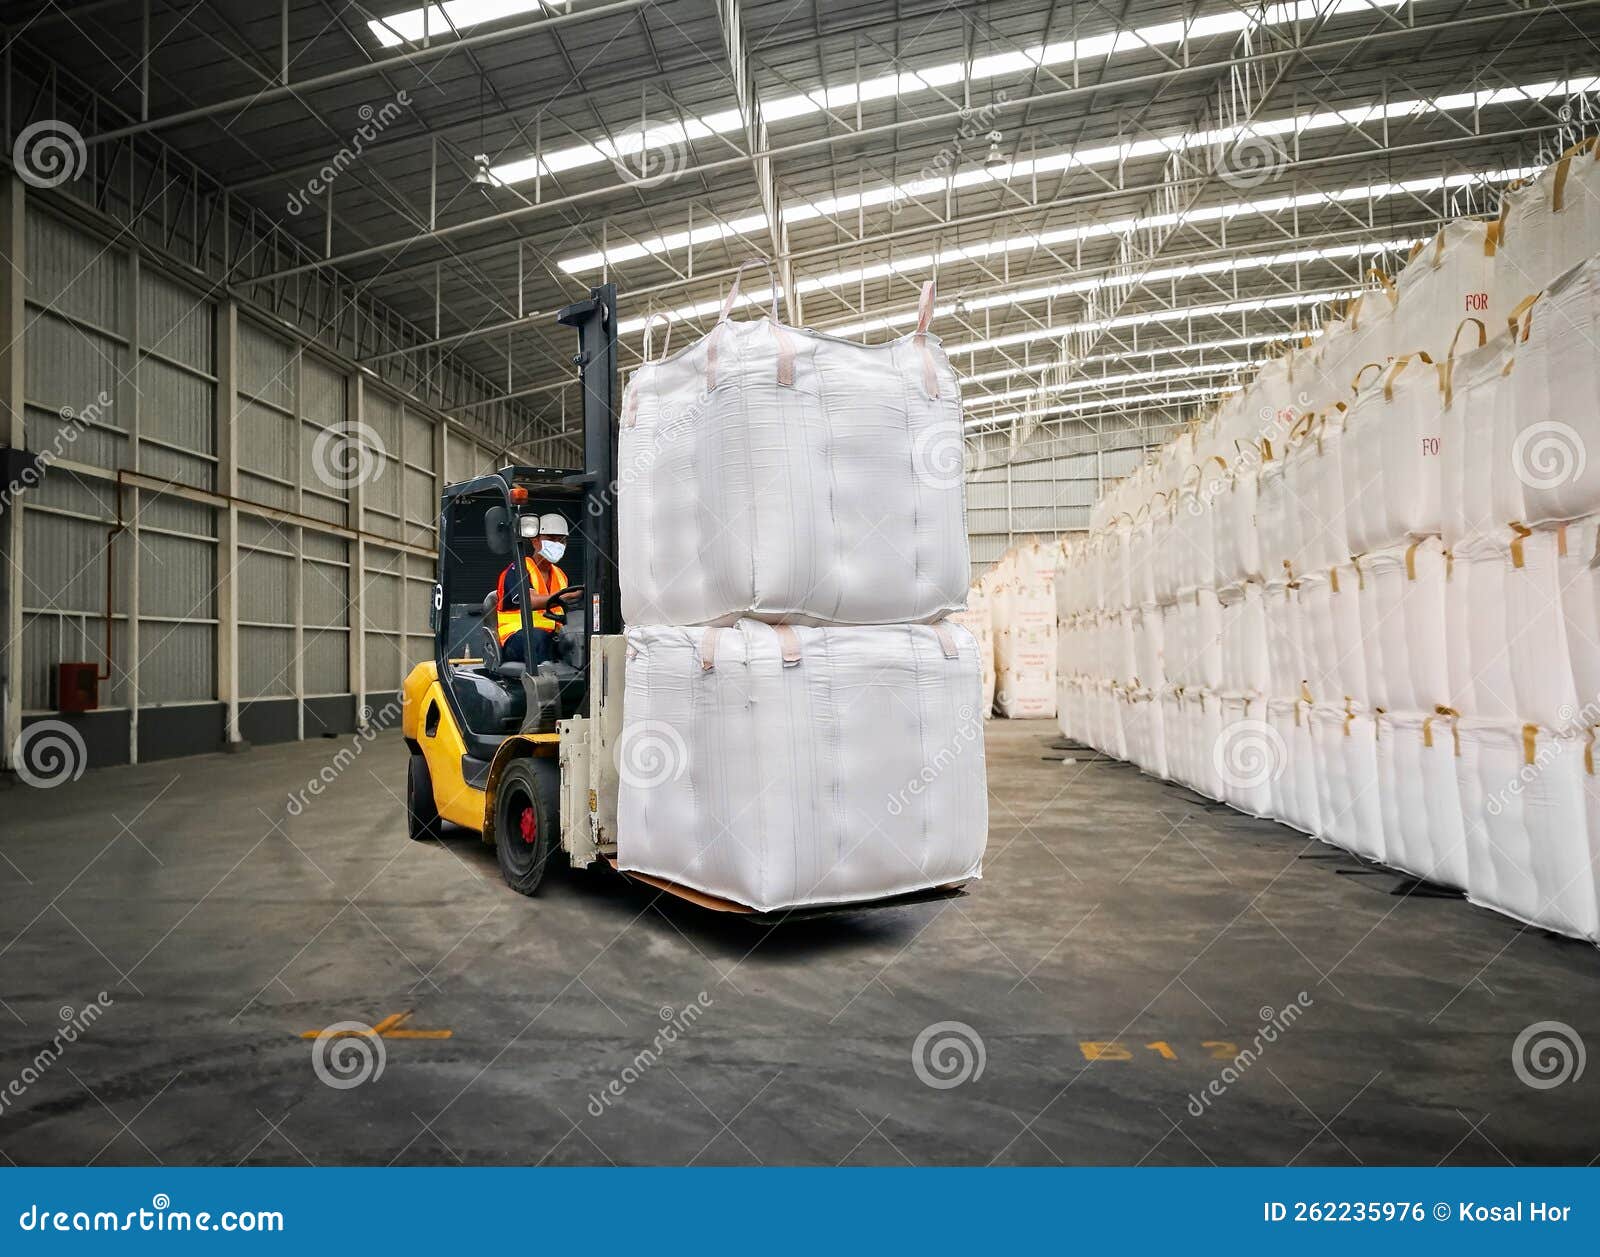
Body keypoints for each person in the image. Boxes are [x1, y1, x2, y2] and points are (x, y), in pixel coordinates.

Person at [496, 513, 580, 667]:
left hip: (551, 638)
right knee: (537, 637)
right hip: (517, 639)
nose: (557, 544)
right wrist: (564, 598)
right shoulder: (518, 570)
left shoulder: (562, 576)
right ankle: (545, 681)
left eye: (562, 540)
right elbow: (530, 601)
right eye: (551, 538)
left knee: (582, 640)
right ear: (535, 541)